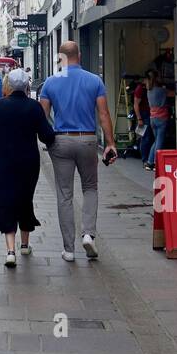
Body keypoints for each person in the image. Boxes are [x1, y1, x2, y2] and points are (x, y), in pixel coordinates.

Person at [38, 41, 117, 262]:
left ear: (60, 58)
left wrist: (48, 140)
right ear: (79, 56)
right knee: (90, 187)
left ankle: (69, 250)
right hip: (87, 139)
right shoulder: (94, 80)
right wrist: (110, 143)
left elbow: (42, 116)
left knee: (64, 194)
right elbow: (103, 114)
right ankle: (89, 234)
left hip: (61, 141)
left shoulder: (50, 83)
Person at [0, 69, 55, 267]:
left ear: (8, 85)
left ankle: (10, 251)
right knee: (25, 200)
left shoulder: (0, 105)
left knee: (6, 202)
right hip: (28, 162)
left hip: (4, 161)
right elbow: (46, 135)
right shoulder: (33, 107)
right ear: (26, 86)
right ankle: (24, 245)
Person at [142, 71, 171, 170]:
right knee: (159, 142)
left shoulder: (148, 90)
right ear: (156, 78)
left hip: (152, 119)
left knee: (156, 140)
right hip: (162, 118)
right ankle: (155, 162)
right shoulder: (161, 90)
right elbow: (173, 93)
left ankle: (150, 162)